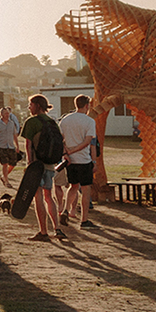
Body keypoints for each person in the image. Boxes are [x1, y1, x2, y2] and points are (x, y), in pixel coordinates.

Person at [13, 94, 66, 241]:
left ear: (37, 105)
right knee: (49, 197)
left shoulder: (32, 122)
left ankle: (43, 231)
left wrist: (30, 165)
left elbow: (29, 145)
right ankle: (57, 228)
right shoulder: (52, 122)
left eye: (30, 104)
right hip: (50, 165)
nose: (29, 107)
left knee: (39, 197)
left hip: (37, 167)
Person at [58, 96, 100, 227]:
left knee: (73, 186)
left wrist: (66, 153)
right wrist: (93, 161)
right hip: (83, 160)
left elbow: (60, 140)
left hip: (70, 161)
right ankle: (84, 220)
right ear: (87, 106)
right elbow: (87, 142)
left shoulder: (65, 120)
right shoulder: (89, 121)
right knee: (86, 190)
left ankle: (65, 210)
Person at [0, 107, 21, 187]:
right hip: (1, 146)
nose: (7, 115)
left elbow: (14, 135)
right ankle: (6, 181)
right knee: (5, 163)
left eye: (8, 113)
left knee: (13, 163)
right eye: (5, 113)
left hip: (10, 146)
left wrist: (17, 146)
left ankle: (4, 176)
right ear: (1, 114)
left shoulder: (11, 123)